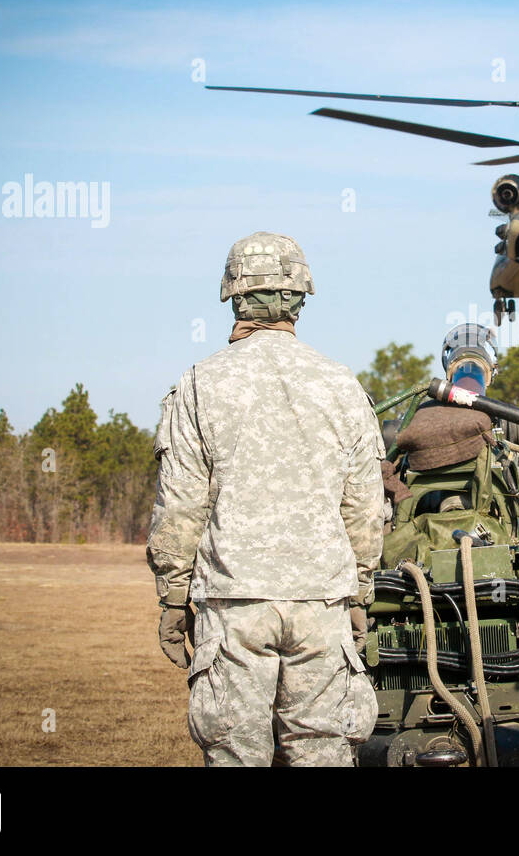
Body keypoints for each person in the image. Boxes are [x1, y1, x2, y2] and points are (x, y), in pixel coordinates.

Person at [146, 231, 383, 766]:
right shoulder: (341, 385)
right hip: (321, 604)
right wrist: (360, 592)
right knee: (323, 752)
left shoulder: (199, 385)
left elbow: (181, 506)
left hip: (234, 605)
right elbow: (366, 509)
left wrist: (171, 597)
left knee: (235, 754)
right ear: (300, 299)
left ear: (233, 294)